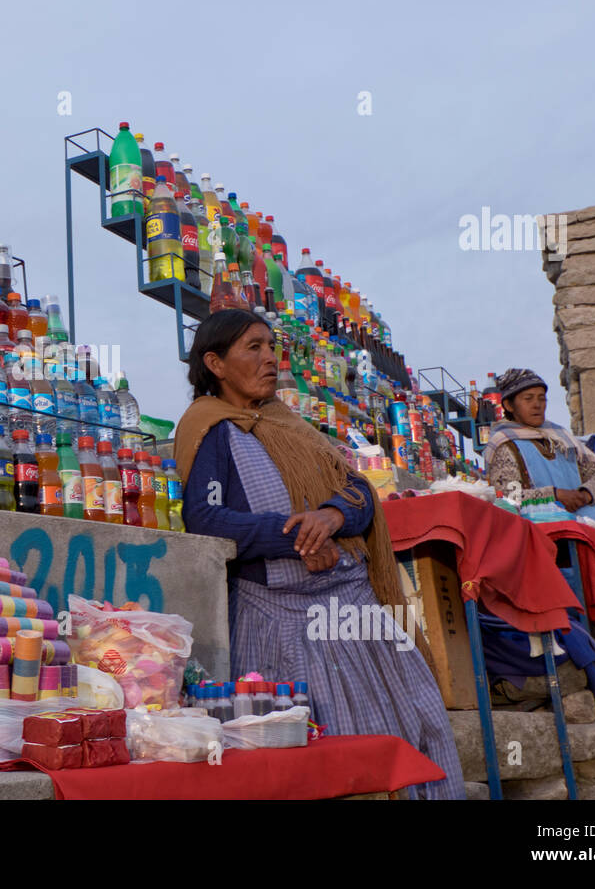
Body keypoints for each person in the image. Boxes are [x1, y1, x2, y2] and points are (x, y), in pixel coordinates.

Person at [174, 309, 464, 799]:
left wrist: (329, 518)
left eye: (271, 346)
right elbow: (204, 518)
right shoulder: (210, 429)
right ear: (215, 363)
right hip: (280, 617)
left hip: (354, 612)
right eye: (254, 347)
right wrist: (298, 536)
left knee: (416, 721)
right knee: (317, 749)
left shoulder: (294, 428)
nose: (271, 358)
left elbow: (358, 493)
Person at [483, 368, 595, 605]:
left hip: (584, 513)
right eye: (528, 399)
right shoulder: (504, 444)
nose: (537, 405)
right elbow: (508, 496)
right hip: (545, 528)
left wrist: (585, 494)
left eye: (541, 398)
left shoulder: (562, 438)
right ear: (509, 405)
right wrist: (555, 495)